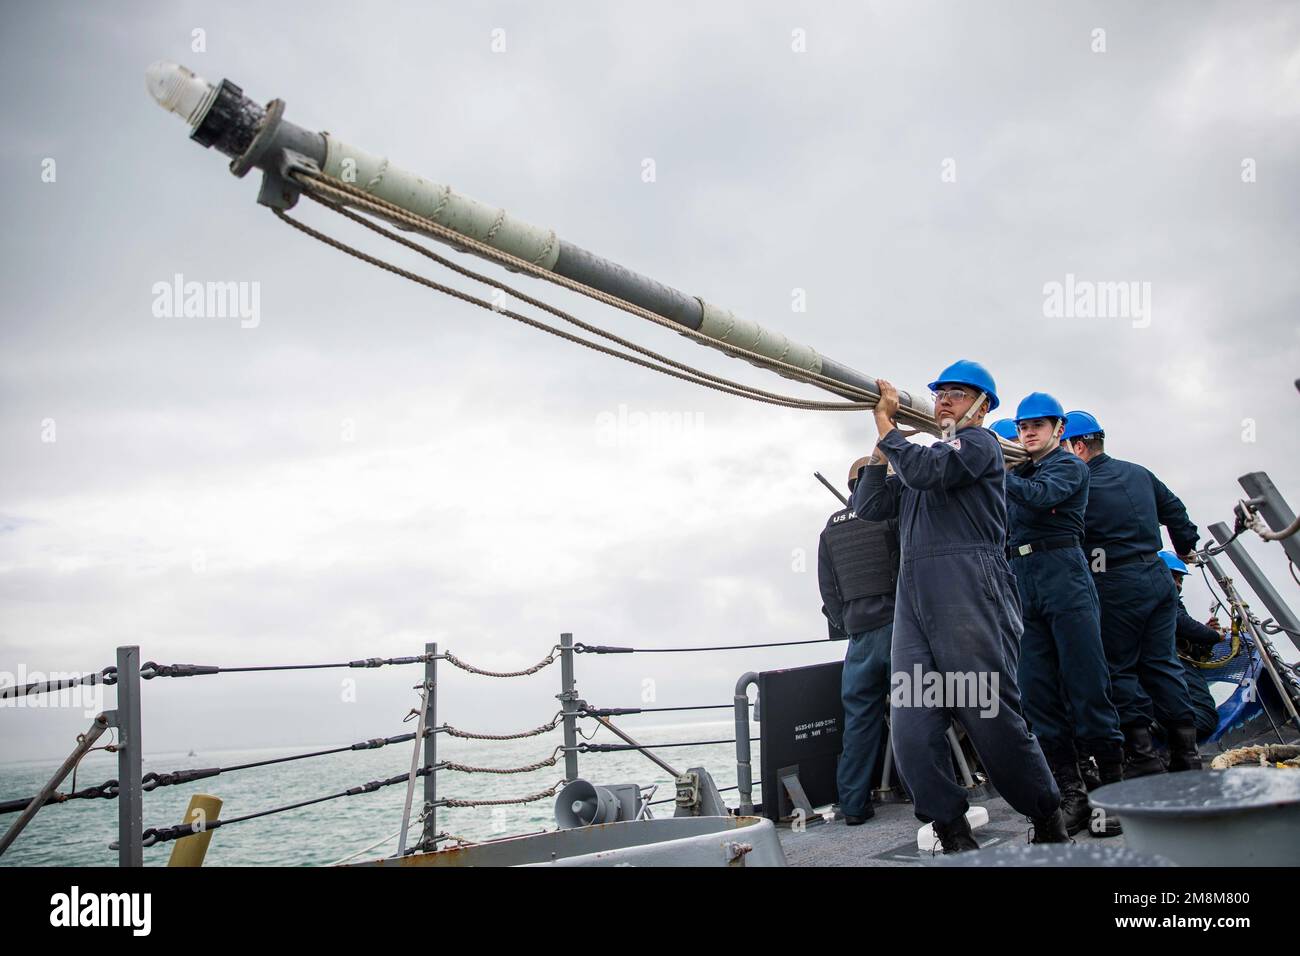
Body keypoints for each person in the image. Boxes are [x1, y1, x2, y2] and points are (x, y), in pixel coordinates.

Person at [851, 360, 1067, 853]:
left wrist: (888, 429)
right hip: (915, 602)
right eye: (940, 392)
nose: (944, 399)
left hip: (970, 589)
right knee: (911, 724)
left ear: (982, 405)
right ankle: (952, 830)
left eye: (957, 392)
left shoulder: (979, 446)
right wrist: (882, 449)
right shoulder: (920, 459)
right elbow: (870, 507)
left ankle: (1046, 815)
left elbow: (929, 470)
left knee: (990, 716)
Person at [1004, 392, 1124, 837]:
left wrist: (997, 469)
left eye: (1038, 424)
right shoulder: (1019, 471)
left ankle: (1112, 792)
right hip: (1022, 579)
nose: (1029, 432)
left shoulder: (1067, 467)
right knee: (1037, 693)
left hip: (1064, 574)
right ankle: (1072, 792)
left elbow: (1041, 497)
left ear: (1058, 429)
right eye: (1023, 426)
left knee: (1087, 683)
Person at [1060, 411, 1203, 775]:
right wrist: (1184, 546)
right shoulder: (1139, 473)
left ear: (1078, 446)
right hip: (1156, 576)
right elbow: (1177, 514)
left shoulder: (1077, 483)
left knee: (1118, 668)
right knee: (1163, 664)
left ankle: (1142, 756)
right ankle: (1187, 753)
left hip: (1112, 582)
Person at [818, 457, 900, 825]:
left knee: (859, 723)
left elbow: (828, 591)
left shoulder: (830, 529)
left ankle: (853, 806)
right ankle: (928, 796)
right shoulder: (892, 516)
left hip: (859, 638)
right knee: (918, 713)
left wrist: (848, 624)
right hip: (900, 631)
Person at [1159, 551, 1223, 740]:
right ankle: (1158, 730)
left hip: (1163, 665)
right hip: (1171, 665)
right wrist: (1213, 635)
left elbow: (1182, 632)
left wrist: (1203, 635)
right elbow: (1181, 622)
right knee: (1205, 717)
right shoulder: (1164, 600)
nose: (1178, 585)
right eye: (1174, 577)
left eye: (1181, 580)